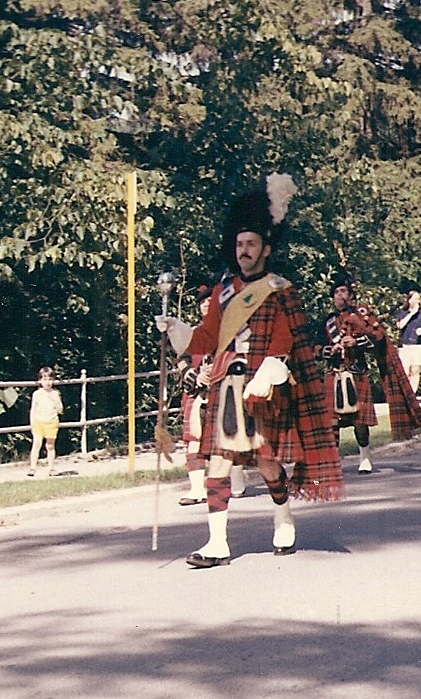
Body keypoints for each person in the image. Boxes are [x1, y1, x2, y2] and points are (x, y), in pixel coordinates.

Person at [157, 173, 343, 568]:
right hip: (227, 387)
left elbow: (285, 338)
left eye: (251, 244)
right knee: (219, 462)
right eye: (239, 244)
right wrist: (178, 331)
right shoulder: (223, 292)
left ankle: (283, 516)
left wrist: (272, 367)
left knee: (266, 461)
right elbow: (207, 339)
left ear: (265, 248)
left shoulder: (280, 289)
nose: (243, 250)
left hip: (264, 388)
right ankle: (217, 543)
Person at [317, 270, 421, 475]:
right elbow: (314, 347)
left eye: (343, 291)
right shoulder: (327, 321)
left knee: (359, 422)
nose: (340, 296)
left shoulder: (361, 315)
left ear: (350, 295)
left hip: (356, 373)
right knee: (331, 423)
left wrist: (356, 342)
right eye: (336, 292)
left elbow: (378, 338)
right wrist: (327, 350)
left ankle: (365, 457)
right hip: (333, 374)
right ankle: (333, 463)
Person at [175, 285, 214, 505]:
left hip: (222, 390)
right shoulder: (191, 334)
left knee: (228, 440)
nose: (206, 304)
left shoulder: (228, 330)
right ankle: (197, 489)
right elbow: (181, 360)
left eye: (210, 301)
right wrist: (195, 377)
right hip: (197, 392)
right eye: (203, 302)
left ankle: (236, 483)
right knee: (193, 441)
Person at [27, 367, 64, 477]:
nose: (47, 382)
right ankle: (32, 467)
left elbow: (60, 410)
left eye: (50, 379)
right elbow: (33, 408)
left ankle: (51, 468)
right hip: (39, 421)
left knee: (50, 446)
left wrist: (57, 401)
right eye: (45, 379)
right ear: (40, 381)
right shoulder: (37, 394)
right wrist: (32, 422)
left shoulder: (55, 394)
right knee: (36, 444)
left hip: (51, 422)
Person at [395, 290, 421, 395]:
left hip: (418, 345)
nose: (417, 301)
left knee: (415, 370)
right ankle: (405, 394)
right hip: (405, 345)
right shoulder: (403, 312)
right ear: (409, 300)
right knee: (405, 371)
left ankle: (412, 394)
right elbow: (400, 326)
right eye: (415, 299)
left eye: (419, 299)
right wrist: (411, 314)